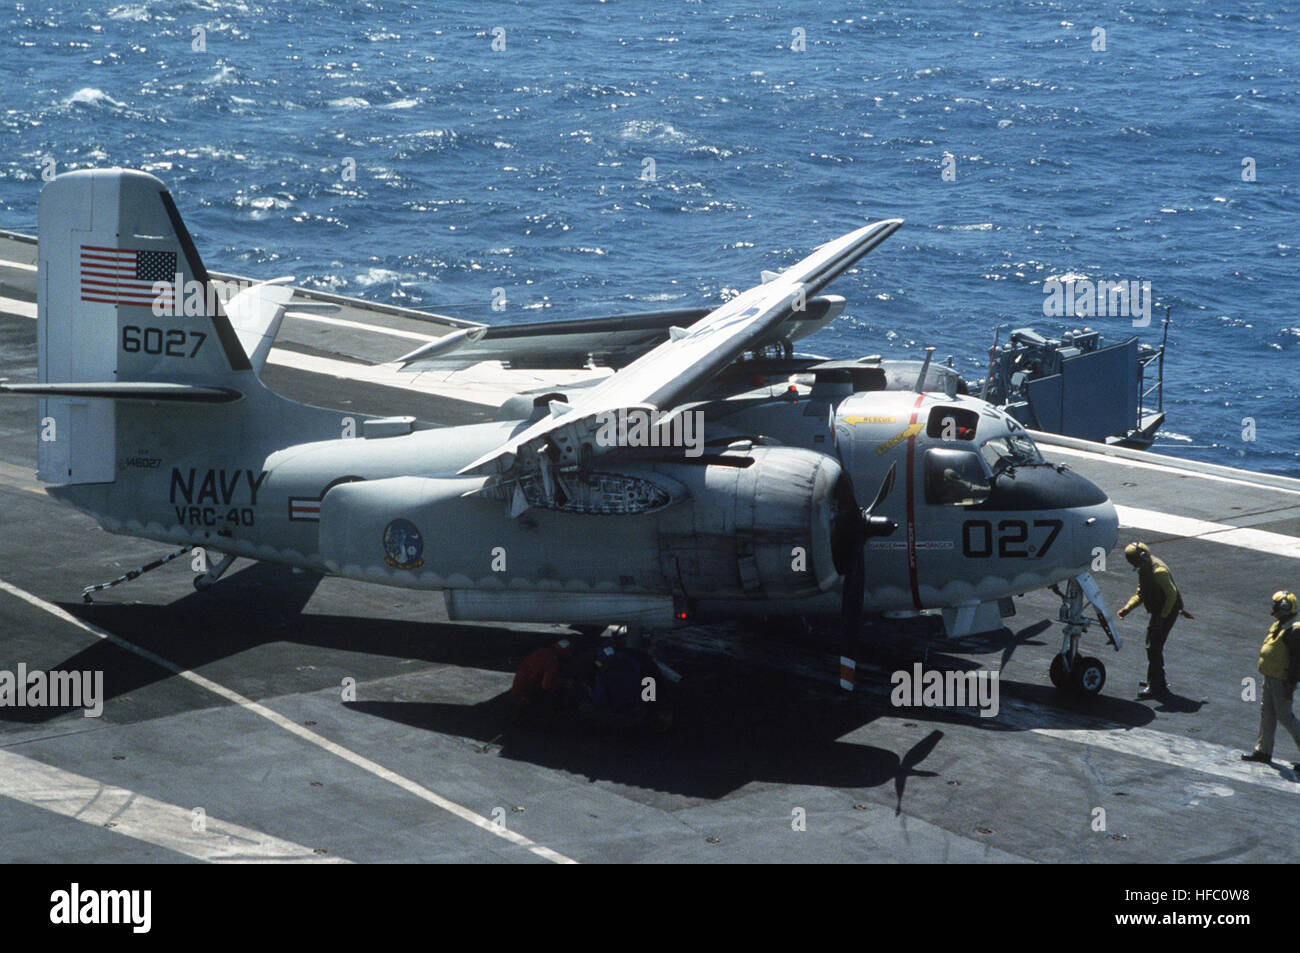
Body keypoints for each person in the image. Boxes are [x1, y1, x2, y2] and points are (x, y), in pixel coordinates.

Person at [1116, 541, 1191, 699]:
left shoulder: (1158, 572)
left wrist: (1162, 618)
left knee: (1154, 647)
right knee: (1153, 646)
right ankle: (1157, 680)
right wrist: (1127, 608)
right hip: (1160, 611)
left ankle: (1156, 685)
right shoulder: (1145, 568)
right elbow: (1141, 593)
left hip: (1167, 611)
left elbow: (1172, 596)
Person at [1241, 591, 1300, 770]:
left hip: (1282, 680)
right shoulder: (1281, 624)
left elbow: (1297, 660)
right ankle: (1263, 751)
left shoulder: (1294, 630)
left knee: (1286, 717)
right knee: (1267, 714)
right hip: (1270, 677)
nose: (1273, 608)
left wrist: (1291, 683)